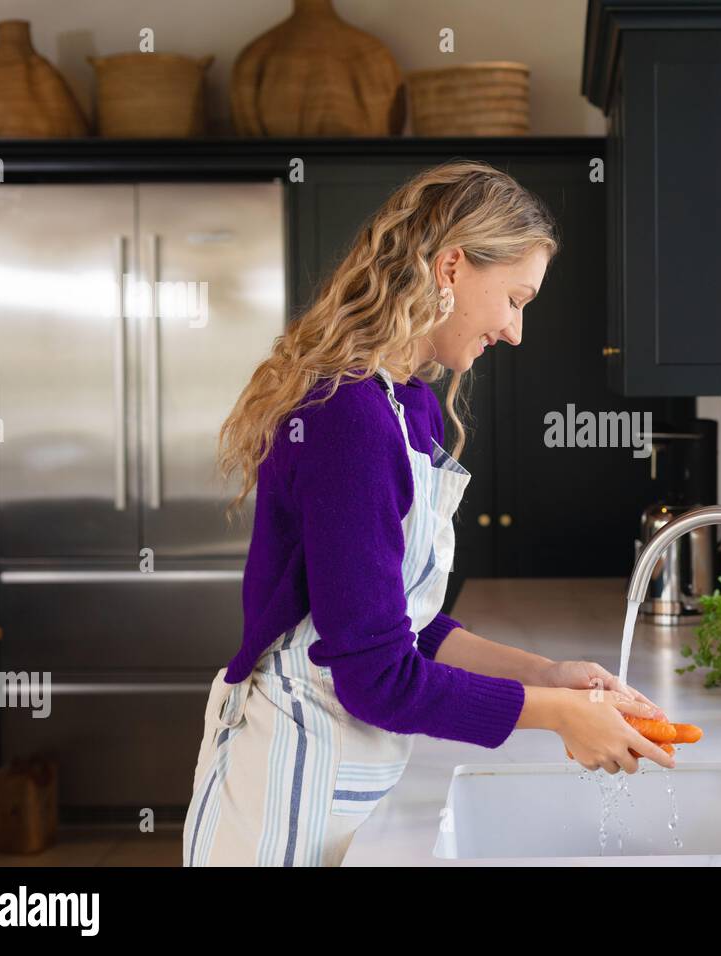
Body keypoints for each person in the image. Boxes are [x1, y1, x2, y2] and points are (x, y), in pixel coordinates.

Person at [182, 160, 672, 867]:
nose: (515, 331)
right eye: (514, 298)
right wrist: (557, 717)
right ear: (450, 269)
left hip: (340, 779)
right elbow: (376, 674)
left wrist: (549, 676)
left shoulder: (404, 405)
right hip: (286, 783)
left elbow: (406, 624)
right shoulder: (346, 416)